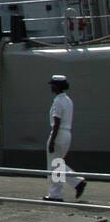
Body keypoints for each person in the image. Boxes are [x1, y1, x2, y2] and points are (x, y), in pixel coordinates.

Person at [44, 74, 87, 202]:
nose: (51, 87)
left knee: (54, 165)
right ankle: (76, 183)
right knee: (58, 163)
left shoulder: (58, 101)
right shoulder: (68, 100)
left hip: (58, 133)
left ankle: (56, 194)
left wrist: (52, 140)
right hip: (67, 134)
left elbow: (57, 122)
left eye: (53, 85)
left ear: (57, 86)